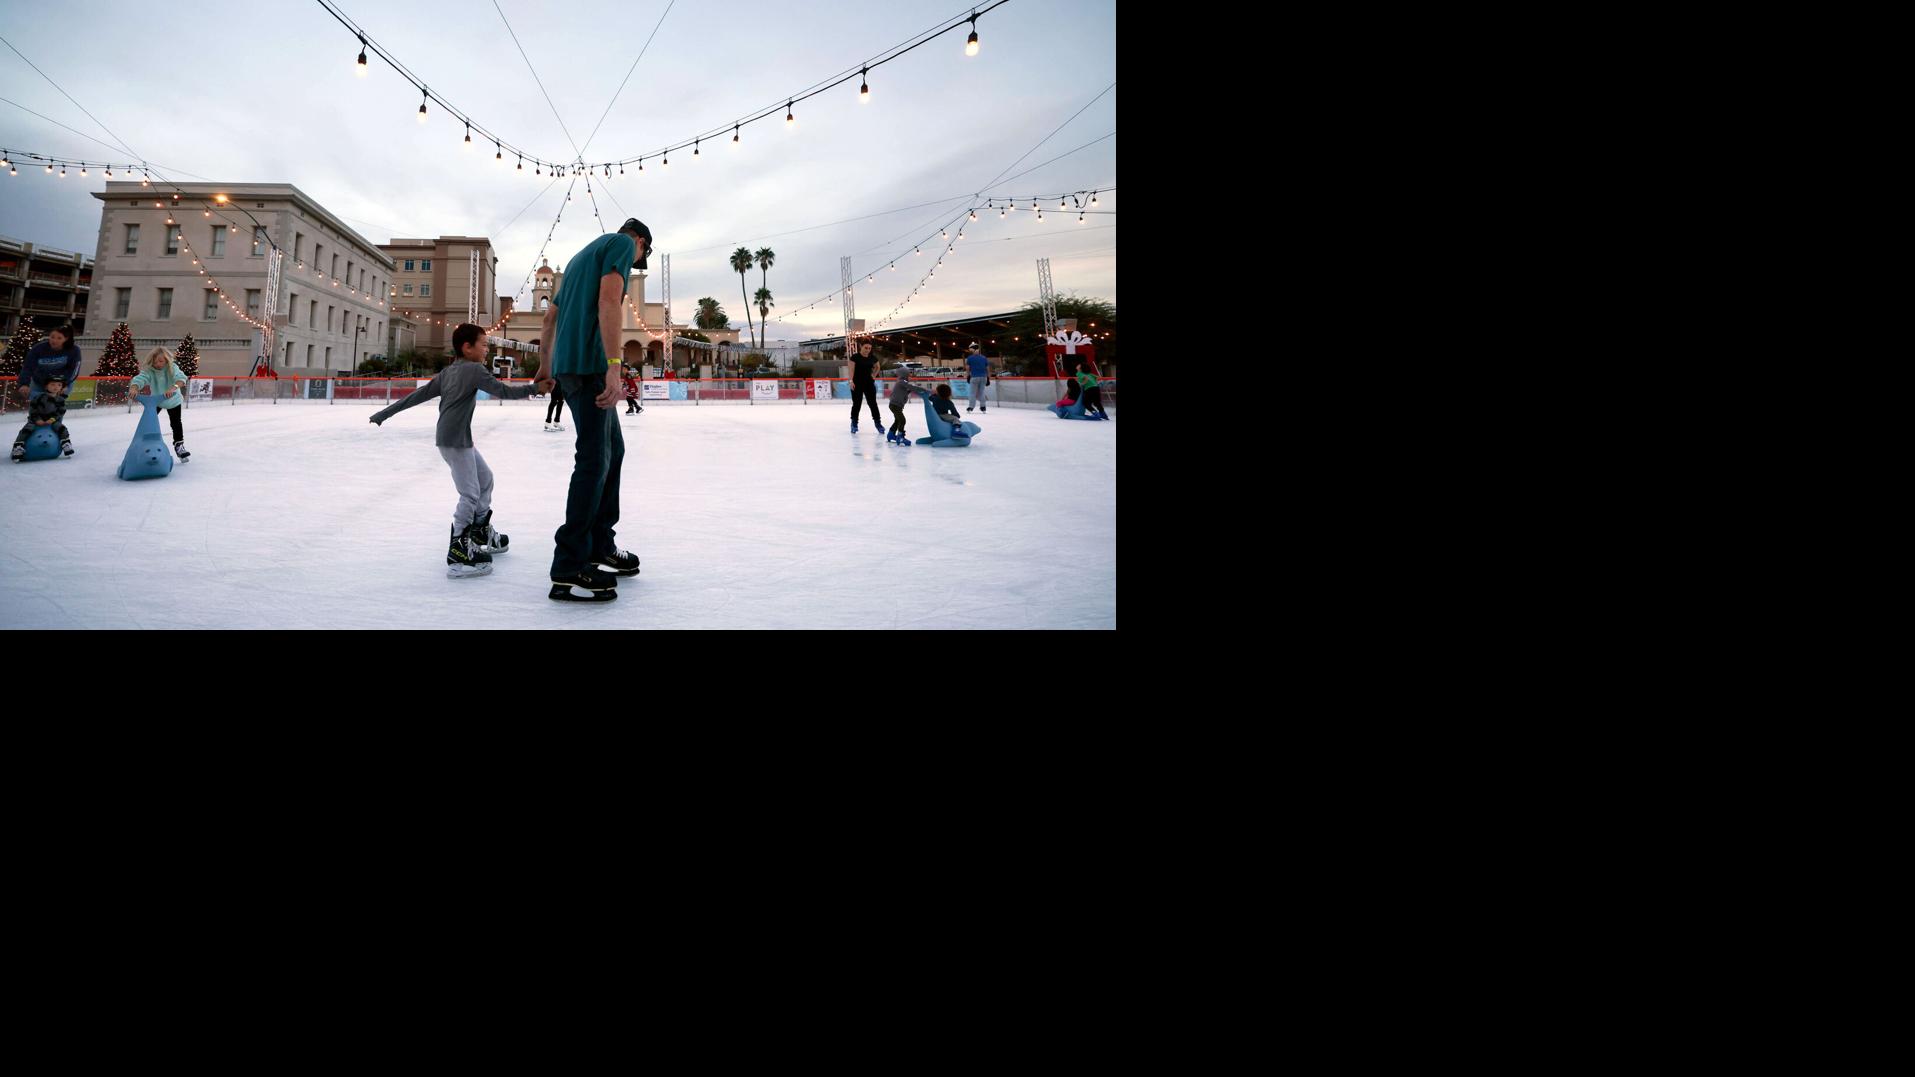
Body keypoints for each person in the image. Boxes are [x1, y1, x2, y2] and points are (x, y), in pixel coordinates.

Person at [370, 323, 549, 579]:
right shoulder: (473, 370)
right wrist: (536, 389)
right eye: (484, 345)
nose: (487, 349)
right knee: (470, 493)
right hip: (454, 440)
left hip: (454, 438)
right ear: (467, 348)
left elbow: (418, 395)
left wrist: (384, 413)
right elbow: (504, 391)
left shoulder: (449, 371)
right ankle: (459, 547)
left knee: (485, 479)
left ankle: (478, 531)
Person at [533, 217, 652, 602]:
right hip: (590, 367)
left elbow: (550, 317)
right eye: (641, 255)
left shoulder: (579, 258)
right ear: (639, 240)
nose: (636, 262)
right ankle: (568, 565)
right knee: (593, 461)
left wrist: (546, 365)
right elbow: (607, 300)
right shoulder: (620, 244)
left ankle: (600, 542)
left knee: (611, 452)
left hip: (570, 368)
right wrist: (615, 366)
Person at [128, 347, 191, 460]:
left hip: (173, 400)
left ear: (166, 360)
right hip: (156, 400)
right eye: (155, 361)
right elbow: (141, 378)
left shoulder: (172, 367)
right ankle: (143, 444)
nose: (158, 364)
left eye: (161, 361)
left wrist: (173, 388)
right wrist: (134, 387)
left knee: (176, 423)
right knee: (147, 422)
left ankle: (179, 445)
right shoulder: (150, 370)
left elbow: (181, 378)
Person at [14, 323, 82, 407]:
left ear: (66, 339)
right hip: (39, 381)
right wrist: (24, 384)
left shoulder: (74, 350)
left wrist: (64, 385)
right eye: (52, 337)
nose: (54, 340)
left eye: (59, 338)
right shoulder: (38, 349)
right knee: (37, 407)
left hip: (61, 384)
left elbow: (74, 370)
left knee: (54, 407)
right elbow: (27, 367)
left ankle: (55, 419)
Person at [10, 382, 69, 460]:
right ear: (46, 386)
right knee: (28, 428)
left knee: (61, 428)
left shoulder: (61, 399)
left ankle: (66, 443)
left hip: (52, 420)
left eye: (59, 385)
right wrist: (37, 420)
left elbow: (61, 411)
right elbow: (32, 410)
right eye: (52, 384)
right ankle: (18, 446)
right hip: (36, 420)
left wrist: (52, 419)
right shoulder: (39, 397)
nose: (56, 387)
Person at [885, 367, 932, 445]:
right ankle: (900, 437)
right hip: (895, 405)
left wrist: (909, 391)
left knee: (897, 420)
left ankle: (891, 435)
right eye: (909, 375)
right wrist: (924, 389)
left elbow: (905, 391)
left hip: (897, 405)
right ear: (904, 375)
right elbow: (912, 387)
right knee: (902, 420)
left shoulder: (902, 382)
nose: (910, 376)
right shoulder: (901, 381)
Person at [848, 340, 882, 433]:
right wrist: (851, 381)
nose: (867, 350)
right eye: (866, 348)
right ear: (861, 346)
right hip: (856, 384)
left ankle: (878, 423)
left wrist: (873, 376)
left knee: (873, 404)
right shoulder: (855, 357)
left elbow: (878, 367)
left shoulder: (872, 357)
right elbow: (851, 370)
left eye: (869, 348)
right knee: (857, 404)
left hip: (869, 384)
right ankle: (854, 423)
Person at [964, 342, 990, 412]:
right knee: (982, 392)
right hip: (983, 377)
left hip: (974, 377)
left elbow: (968, 368)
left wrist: (968, 376)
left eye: (970, 349)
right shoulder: (984, 358)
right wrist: (988, 378)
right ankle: (983, 407)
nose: (970, 350)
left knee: (973, 393)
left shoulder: (970, 358)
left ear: (973, 349)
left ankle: (971, 407)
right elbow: (987, 368)